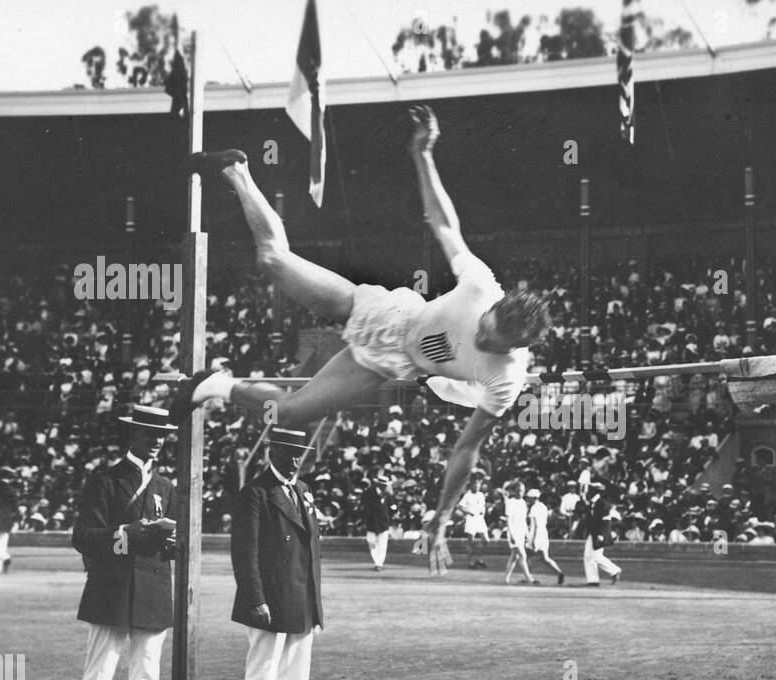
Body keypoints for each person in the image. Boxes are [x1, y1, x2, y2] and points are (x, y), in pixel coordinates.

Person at [174, 105, 551, 578]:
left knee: (288, 415)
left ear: (510, 349)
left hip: (390, 365)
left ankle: (216, 385)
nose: (478, 334)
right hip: (386, 311)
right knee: (272, 260)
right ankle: (236, 170)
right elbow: (443, 223)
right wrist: (423, 154)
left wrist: (442, 517)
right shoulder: (481, 287)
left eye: (487, 341)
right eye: (483, 324)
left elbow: (467, 449)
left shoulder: (505, 378)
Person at [70, 404, 179, 680]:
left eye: (162, 434)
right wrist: (128, 534)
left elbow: (174, 545)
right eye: (150, 433)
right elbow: (82, 536)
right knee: (99, 676)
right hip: (111, 588)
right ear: (132, 435)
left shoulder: (167, 487)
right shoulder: (105, 480)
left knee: (147, 675)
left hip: (151, 588)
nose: (158, 441)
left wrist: (171, 542)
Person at [231, 427, 328, 680]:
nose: (294, 462)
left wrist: (315, 599)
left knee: (295, 672)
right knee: (263, 671)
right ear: (272, 453)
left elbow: (310, 549)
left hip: (300, 594)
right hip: (270, 596)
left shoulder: (301, 490)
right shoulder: (255, 493)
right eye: (287, 454)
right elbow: (245, 551)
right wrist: (255, 597)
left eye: (299, 455)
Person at [581, 483, 622, 587]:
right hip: (593, 533)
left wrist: (601, 534)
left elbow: (606, 522)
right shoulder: (591, 504)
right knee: (587, 556)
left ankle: (615, 570)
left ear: (596, 492)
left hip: (600, 533)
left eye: (591, 490)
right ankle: (593, 580)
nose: (588, 492)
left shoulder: (602, 504)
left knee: (596, 556)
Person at [525, 487, 565, 585]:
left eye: (530, 498)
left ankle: (529, 578)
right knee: (545, 558)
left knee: (526, 556)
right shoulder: (543, 506)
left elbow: (536, 525)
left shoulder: (534, 508)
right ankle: (560, 573)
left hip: (536, 534)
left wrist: (533, 540)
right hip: (543, 534)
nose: (528, 499)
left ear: (535, 498)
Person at [502, 480, 537, 585]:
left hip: (521, 532)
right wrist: (511, 534)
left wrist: (526, 533)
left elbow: (523, 520)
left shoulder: (523, 503)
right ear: (513, 491)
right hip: (513, 532)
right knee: (522, 555)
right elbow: (508, 519)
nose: (520, 493)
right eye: (518, 491)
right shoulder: (510, 502)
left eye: (522, 491)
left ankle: (506, 578)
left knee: (514, 557)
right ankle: (529, 578)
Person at [361, 473, 392, 571]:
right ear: (378, 484)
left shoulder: (387, 495)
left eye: (385, 485)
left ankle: (379, 563)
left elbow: (392, 506)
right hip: (371, 522)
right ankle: (377, 561)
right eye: (383, 485)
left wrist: (390, 515)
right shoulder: (368, 493)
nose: (385, 487)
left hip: (383, 522)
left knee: (382, 544)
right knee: (371, 541)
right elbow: (364, 507)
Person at [458, 473, 490, 568]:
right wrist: (469, 512)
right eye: (475, 484)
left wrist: (483, 512)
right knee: (470, 542)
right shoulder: (467, 495)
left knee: (486, 540)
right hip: (471, 519)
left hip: (480, 519)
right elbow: (460, 506)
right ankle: (470, 562)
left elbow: (483, 506)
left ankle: (479, 559)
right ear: (471, 485)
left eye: (478, 484)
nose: (477, 486)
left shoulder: (481, 495)